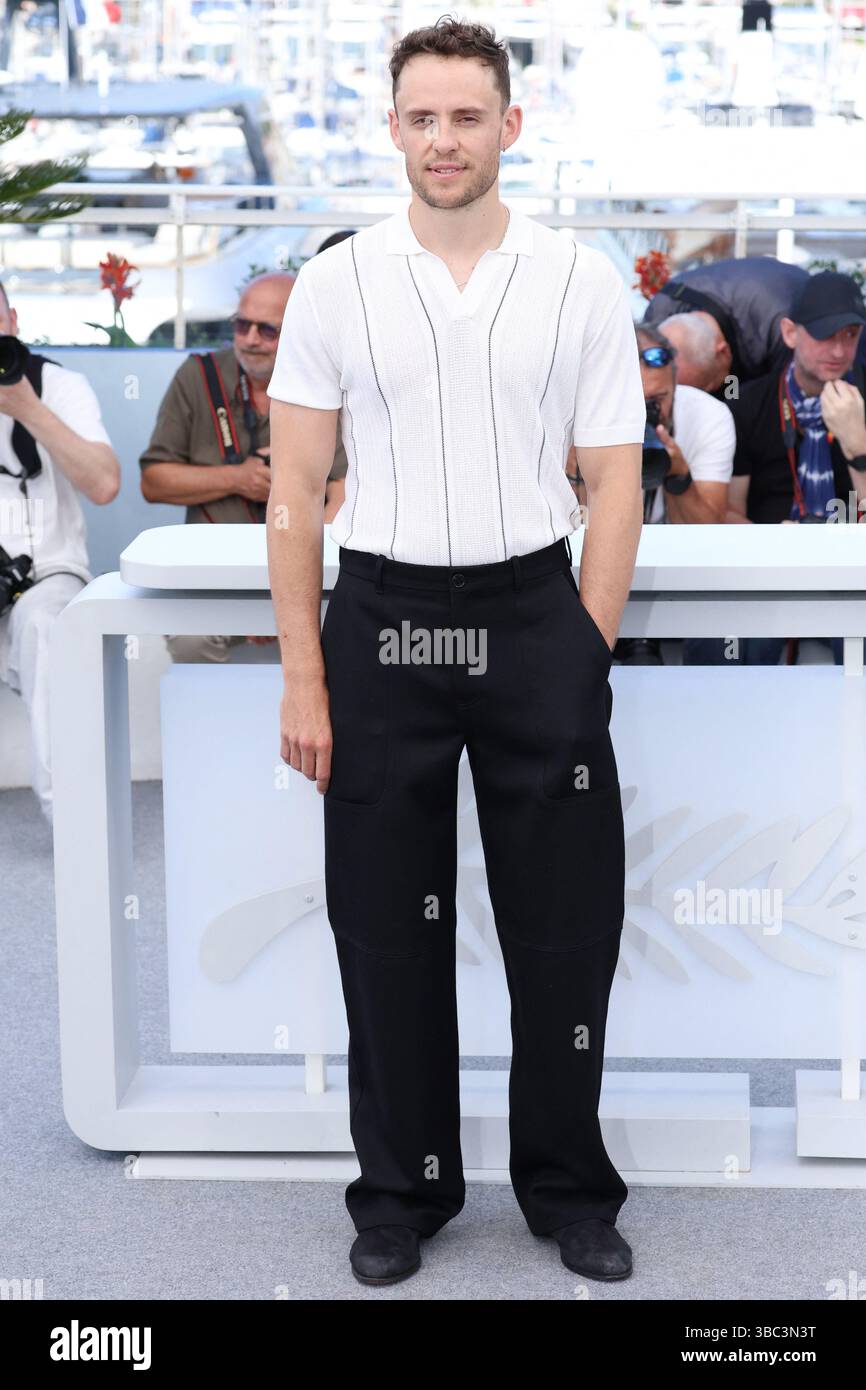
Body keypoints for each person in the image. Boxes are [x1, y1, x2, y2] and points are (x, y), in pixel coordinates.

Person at [266, 17, 646, 1286]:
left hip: (534, 620)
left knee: (564, 928)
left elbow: (612, 482)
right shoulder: (336, 281)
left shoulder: (579, 279)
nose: (443, 140)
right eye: (421, 118)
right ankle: (400, 1196)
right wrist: (307, 675)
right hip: (378, 624)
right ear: (392, 128)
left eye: (465, 117)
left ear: (507, 127)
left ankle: (567, 1189)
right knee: (383, 929)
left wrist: (580, 649)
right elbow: (294, 493)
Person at [139, 272, 348, 662]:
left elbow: (342, 492)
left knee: (347, 639)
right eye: (241, 325)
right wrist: (238, 478)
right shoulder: (197, 377)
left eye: (268, 330)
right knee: (190, 641)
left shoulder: (328, 384)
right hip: (210, 578)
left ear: (298, 331)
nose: (251, 339)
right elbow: (153, 481)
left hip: (305, 576)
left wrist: (288, 597)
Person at [0, 279, 119, 824]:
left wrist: (26, 407)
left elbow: (104, 485)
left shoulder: (58, 387)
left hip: (48, 572)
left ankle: (71, 822)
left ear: (13, 322)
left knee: (44, 627)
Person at [725, 270, 866, 665]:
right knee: (729, 646)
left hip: (852, 569)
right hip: (767, 567)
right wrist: (773, 539)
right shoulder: (749, 404)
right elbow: (726, 512)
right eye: (825, 335)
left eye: (851, 335)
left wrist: (857, 448)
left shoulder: (862, 400)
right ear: (790, 333)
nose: (840, 351)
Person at [641, 255, 808, 394]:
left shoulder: (778, 326)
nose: (704, 399)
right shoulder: (656, 321)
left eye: (707, 387)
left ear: (723, 351)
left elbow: (788, 402)